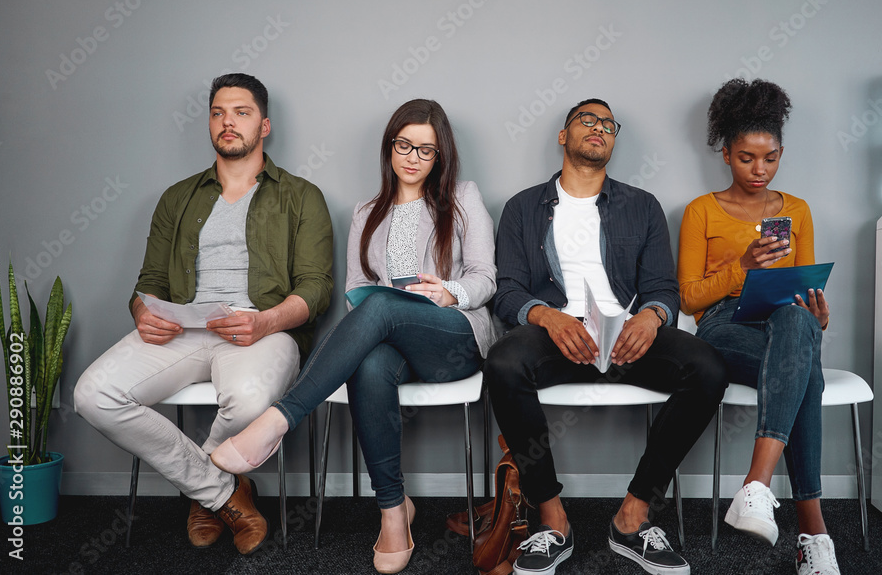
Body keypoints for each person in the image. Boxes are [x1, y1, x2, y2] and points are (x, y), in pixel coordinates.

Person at [211, 98, 497, 574]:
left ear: (440, 157)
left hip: (454, 335)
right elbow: (354, 292)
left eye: (425, 150)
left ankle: (279, 419)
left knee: (385, 303)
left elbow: (487, 277)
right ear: (389, 147)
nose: (412, 156)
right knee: (370, 358)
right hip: (392, 342)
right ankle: (392, 510)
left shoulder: (463, 196)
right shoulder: (367, 212)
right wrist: (381, 304)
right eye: (403, 144)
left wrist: (449, 292)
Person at [75, 73, 334, 555]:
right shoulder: (178, 198)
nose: (227, 122)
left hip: (261, 329)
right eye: (218, 113)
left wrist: (266, 321)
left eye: (241, 112)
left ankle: (204, 492)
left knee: (252, 401)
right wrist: (140, 310)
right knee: (93, 394)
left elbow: (316, 289)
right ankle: (220, 492)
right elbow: (149, 281)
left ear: (266, 125)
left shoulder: (302, 196)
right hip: (183, 326)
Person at [485, 98, 727, 575]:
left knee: (708, 367)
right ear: (563, 135)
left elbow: (662, 288)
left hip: (626, 336)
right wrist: (549, 317)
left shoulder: (642, 206)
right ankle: (551, 522)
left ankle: (633, 516)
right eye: (587, 120)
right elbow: (507, 290)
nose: (599, 128)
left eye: (608, 125)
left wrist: (652, 318)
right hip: (557, 335)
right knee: (503, 362)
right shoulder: (521, 207)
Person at [677, 79, 840, 575]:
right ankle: (813, 532)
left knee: (796, 319)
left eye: (770, 158)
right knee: (805, 372)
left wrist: (818, 314)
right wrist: (743, 267)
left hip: (786, 324)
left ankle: (756, 487)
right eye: (747, 158)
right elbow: (688, 297)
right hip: (724, 325)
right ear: (726, 154)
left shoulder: (797, 210)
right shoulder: (700, 210)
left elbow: (805, 288)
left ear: (781, 154)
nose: (759, 169)